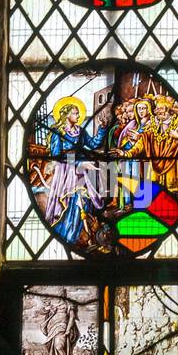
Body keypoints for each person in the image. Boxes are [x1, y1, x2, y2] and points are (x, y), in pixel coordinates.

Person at [41, 100, 110, 248]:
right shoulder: (58, 133)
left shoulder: (79, 130)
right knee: (74, 199)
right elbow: (57, 155)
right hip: (67, 171)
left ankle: (85, 233)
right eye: (75, 113)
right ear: (66, 115)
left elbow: (93, 144)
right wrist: (78, 163)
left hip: (82, 168)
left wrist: (102, 128)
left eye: (78, 112)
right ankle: (70, 232)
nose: (78, 115)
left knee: (86, 198)